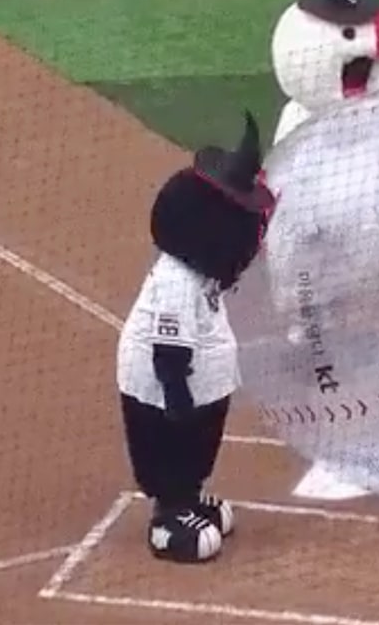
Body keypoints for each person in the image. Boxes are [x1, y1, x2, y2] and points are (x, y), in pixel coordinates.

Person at [116, 112, 276, 563]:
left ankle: (188, 497)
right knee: (172, 445)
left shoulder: (202, 275)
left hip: (199, 379)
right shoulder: (175, 281)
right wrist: (176, 393)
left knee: (198, 445)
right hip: (164, 386)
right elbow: (168, 352)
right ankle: (169, 517)